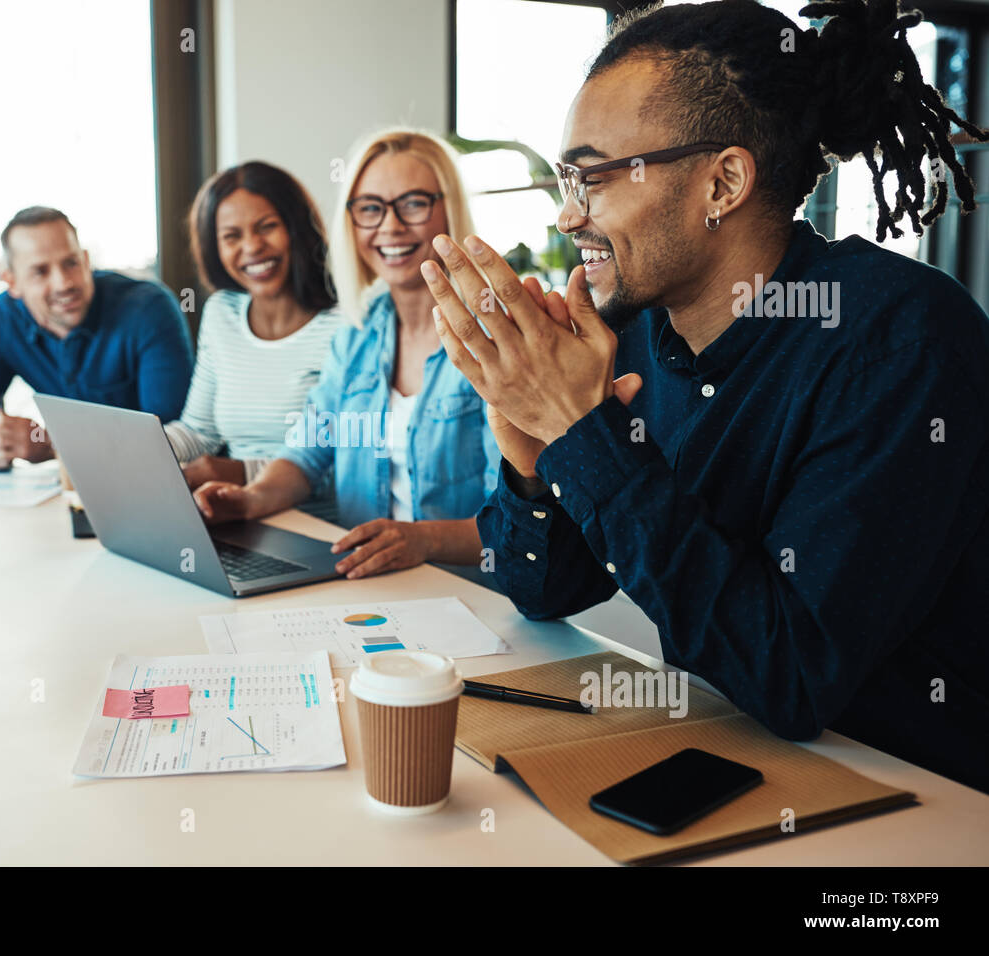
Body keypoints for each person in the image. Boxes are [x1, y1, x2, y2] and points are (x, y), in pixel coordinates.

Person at [423, 0, 989, 792]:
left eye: (592, 176)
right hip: (730, 761)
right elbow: (546, 590)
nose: (566, 213)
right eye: (564, 178)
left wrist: (582, 428)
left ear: (722, 181)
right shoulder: (640, 336)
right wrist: (529, 451)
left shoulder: (900, 342)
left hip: (917, 798)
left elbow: (793, 675)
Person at [193, 129, 500, 580]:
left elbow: (521, 518)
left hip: (476, 598)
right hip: (368, 585)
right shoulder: (357, 333)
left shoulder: (495, 337)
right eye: (371, 209)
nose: (390, 227)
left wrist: (424, 539)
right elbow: (307, 452)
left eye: (413, 203)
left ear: (449, 210)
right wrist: (251, 499)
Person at [0, 206, 193, 467]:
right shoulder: (4, 318)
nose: (64, 284)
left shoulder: (149, 309)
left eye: (71, 263)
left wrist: (49, 444)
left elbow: (171, 437)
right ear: (12, 282)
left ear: (86, 260)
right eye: (40, 271)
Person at [164, 161, 347, 519]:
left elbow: (356, 464)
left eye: (267, 227)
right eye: (232, 236)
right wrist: (135, 450)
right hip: (234, 513)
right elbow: (199, 432)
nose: (252, 247)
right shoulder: (222, 313)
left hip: (321, 525)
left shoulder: (345, 323)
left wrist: (242, 471)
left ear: (297, 230)